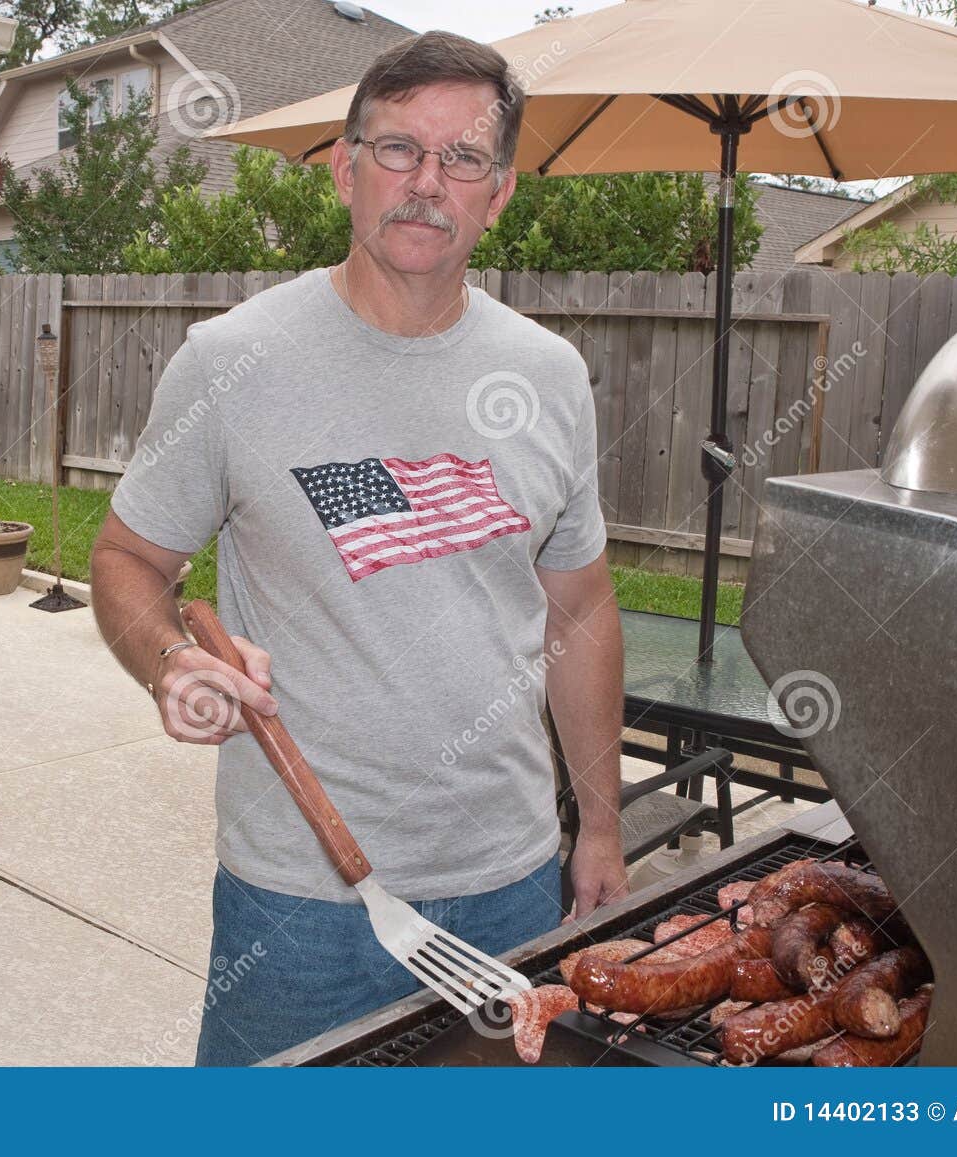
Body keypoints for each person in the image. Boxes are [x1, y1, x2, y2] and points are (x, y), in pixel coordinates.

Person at [89, 29, 628, 1066]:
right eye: (397, 150)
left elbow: (580, 608)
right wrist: (168, 659)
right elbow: (128, 560)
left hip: (508, 876)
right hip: (300, 898)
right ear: (344, 168)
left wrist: (596, 824)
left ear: (499, 192)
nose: (427, 183)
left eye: (462, 158)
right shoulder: (234, 359)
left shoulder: (549, 374)